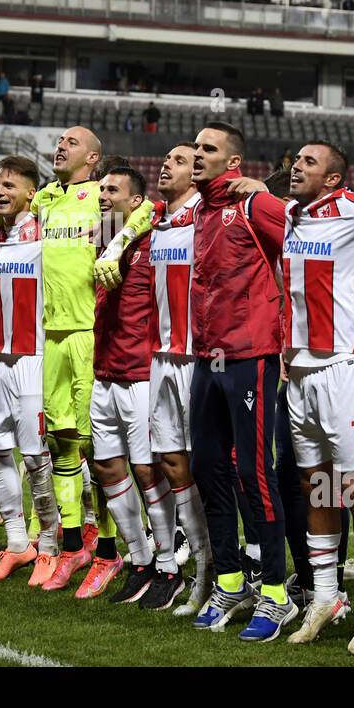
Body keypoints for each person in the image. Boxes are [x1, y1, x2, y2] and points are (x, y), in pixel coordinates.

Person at [0, 126, 154, 592]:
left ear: (93, 157)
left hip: (88, 334)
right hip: (51, 339)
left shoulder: (100, 198)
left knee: (94, 451)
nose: (61, 146)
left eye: (72, 143)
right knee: (61, 445)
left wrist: (118, 243)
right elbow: (9, 210)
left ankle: (109, 552)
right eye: (59, 141)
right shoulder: (46, 199)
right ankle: (68, 547)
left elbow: (147, 209)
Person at [232, 142, 354, 655]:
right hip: (299, 371)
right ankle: (325, 595)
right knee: (312, 483)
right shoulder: (294, 216)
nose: (295, 166)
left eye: (307, 162)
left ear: (333, 178)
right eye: (294, 161)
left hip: (345, 364)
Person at [185, 121, 293, 642]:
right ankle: (230, 580)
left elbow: (307, 245)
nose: (196, 154)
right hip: (207, 358)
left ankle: (275, 592)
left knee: (255, 474)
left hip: (251, 355)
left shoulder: (255, 205)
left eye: (208, 149)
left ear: (233, 162)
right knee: (208, 470)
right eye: (196, 146)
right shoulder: (202, 208)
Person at [86, 165, 173, 605]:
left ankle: (168, 563)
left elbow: (159, 206)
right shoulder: (101, 238)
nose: (102, 195)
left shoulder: (153, 238)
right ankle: (139, 559)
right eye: (100, 188)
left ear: (134, 201)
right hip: (104, 371)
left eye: (112, 190)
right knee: (106, 467)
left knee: (146, 469)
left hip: (140, 372)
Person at [0, 156, 62, 583]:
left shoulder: (47, 229)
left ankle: (49, 544)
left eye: (9, 185)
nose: (0, 191)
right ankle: (16, 544)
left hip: (34, 356)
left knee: (35, 457)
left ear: (32, 192)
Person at [146, 142, 213, 614]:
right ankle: (203, 565)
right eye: (165, 158)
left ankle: (233, 567)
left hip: (199, 357)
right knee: (170, 463)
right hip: (160, 356)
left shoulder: (207, 216)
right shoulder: (153, 220)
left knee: (210, 466)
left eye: (180, 161)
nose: (166, 164)